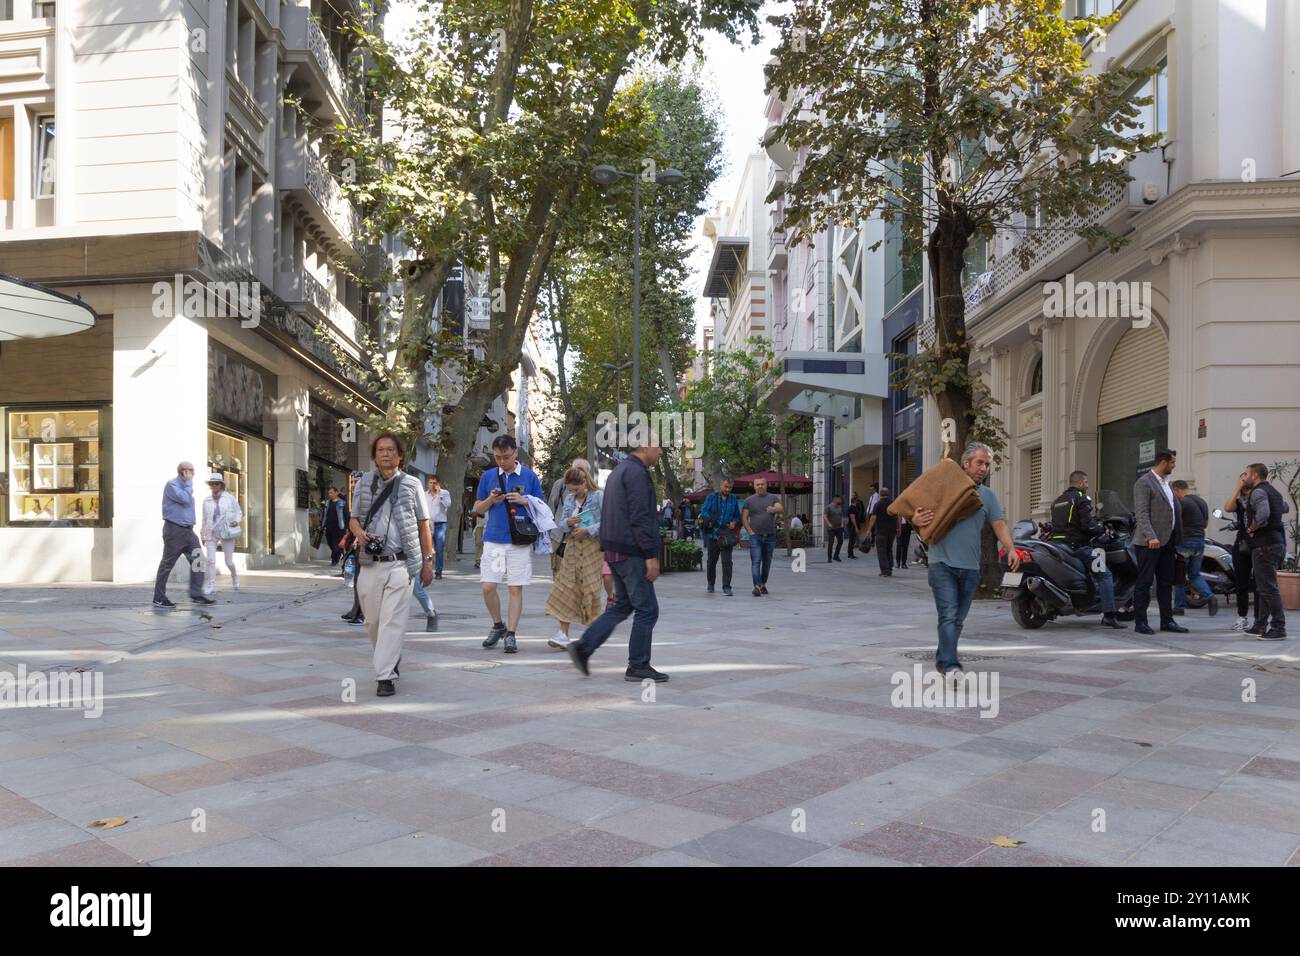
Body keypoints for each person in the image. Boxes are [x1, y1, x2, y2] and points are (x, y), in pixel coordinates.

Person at [911, 444, 1020, 680]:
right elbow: (919, 514)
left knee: (957, 619)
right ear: (966, 463)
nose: (984, 468)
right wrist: (916, 519)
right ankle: (951, 666)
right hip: (942, 564)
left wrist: (1010, 548)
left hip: (971, 568)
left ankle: (944, 661)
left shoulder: (988, 496)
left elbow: (998, 524)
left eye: (987, 464)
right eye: (980, 462)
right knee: (948, 615)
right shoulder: (944, 488)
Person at [567, 438, 667, 683]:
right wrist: (651, 556)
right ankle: (638, 665)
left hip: (614, 550)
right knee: (647, 609)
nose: (660, 451)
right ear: (644, 445)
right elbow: (640, 517)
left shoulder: (619, 471)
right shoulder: (636, 474)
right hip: (630, 551)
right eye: (658, 445)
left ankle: (583, 647)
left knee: (623, 605)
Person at [348, 433, 434, 697]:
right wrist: (359, 533)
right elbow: (353, 519)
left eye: (390, 450)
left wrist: (428, 561)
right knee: (373, 622)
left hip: (401, 563)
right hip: (370, 563)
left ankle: (385, 676)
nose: (385, 454)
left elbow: (423, 525)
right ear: (374, 455)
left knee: (392, 621)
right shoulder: (363, 483)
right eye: (380, 450)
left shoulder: (411, 485)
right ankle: (389, 657)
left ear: (400, 455)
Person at [474, 434, 544, 654]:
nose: (502, 461)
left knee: (515, 587)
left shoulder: (530, 477)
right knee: (488, 586)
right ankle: (497, 625)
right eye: (497, 457)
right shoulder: (488, 476)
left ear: (515, 452)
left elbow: (541, 508)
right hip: (494, 538)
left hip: (519, 541)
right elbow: (477, 508)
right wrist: (490, 501)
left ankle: (511, 635)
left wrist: (526, 500)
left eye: (505, 456)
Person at [1046, 470, 1122, 628]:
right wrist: (1104, 531)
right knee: (1105, 575)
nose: (1087, 485)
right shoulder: (1081, 498)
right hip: (1078, 547)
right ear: (1080, 483)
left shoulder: (1058, 500)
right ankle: (1109, 615)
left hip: (1059, 545)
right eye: (1086, 482)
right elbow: (1088, 525)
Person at [545, 467, 604, 648]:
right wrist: (567, 523)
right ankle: (563, 633)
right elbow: (561, 523)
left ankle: (593, 634)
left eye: (575, 489)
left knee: (591, 588)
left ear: (584, 482)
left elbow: (609, 520)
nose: (572, 493)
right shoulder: (570, 499)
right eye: (570, 490)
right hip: (572, 546)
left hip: (592, 548)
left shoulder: (599, 496)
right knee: (566, 587)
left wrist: (589, 529)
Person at [1131, 449, 1185, 636]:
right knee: (1145, 583)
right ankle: (1141, 622)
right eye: (1172, 462)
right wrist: (1150, 536)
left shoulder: (1167, 484)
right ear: (1163, 462)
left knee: (1165, 583)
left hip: (1167, 541)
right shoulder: (1144, 482)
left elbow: (1171, 510)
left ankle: (1167, 621)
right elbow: (1142, 513)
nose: (1174, 465)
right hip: (1149, 542)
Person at [152, 462, 214, 608]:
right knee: (167, 564)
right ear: (182, 472)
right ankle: (159, 597)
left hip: (188, 531)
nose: (193, 473)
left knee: (198, 560)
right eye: (190, 470)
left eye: (193, 470)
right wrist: (188, 483)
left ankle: (197, 594)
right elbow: (185, 499)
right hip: (174, 529)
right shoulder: (172, 485)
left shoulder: (187, 486)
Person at [1239, 463, 1288, 640]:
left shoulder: (1258, 492)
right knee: (1264, 587)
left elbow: (1264, 513)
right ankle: (1260, 625)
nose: (1245, 477)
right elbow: (1285, 507)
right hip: (1274, 543)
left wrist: (1252, 528)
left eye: (1247, 474)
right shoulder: (1274, 491)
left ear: (1255, 475)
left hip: (1264, 545)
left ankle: (1278, 627)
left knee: (1268, 588)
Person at [1222, 469, 1263, 633]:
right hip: (1242, 545)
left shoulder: (1259, 496)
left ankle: (1259, 619)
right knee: (1241, 584)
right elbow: (1227, 507)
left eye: (1244, 476)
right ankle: (1242, 617)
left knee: (1260, 584)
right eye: (1240, 477)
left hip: (1259, 543)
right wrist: (1237, 489)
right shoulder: (1239, 501)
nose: (1242, 479)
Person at [1171, 479, 1217, 618]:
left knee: (1178, 575)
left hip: (1185, 542)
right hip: (1200, 542)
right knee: (1195, 574)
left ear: (1177, 490)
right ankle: (1209, 596)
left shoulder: (1181, 503)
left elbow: (1174, 523)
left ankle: (1178, 607)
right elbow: (1205, 524)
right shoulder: (1202, 502)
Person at [200, 473, 242, 595]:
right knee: (211, 560)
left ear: (221, 485)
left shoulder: (230, 498)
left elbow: (239, 512)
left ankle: (234, 576)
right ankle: (212, 586)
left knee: (228, 562)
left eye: (216, 483)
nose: (213, 486)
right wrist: (202, 533)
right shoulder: (206, 500)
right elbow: (204, 518)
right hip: (211, 532)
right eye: (211, 484)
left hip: (226, 531)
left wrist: (236, 521)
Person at [408, 477, 440, 633]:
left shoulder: (421, 516)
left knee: (416, 588)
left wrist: (428, 559)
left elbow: (426, 534)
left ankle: (431, 613)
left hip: (415, 554)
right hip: (394, 555)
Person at [699, 478, 741, 595]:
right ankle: (711, 583)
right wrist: (712, 520)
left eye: (730, 488)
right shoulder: (712, 497)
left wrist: (734, 522)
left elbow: (737, 516)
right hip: (713, 534)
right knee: (712, 561)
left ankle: (726, 586)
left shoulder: (733, 499)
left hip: (726, 534)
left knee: (727, 562)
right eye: (725, 487)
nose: (727, 489)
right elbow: (704, 511)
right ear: (721, 485)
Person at [742, 475, 782, 596]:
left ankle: (763, 584)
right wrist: (750, 531)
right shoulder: (749, 500)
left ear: (766, 485)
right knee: (756, 561)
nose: (760, 486)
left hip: (770, 536)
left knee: (767, 562)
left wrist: (773, 510)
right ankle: (756, 586)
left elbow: (780, 508)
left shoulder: (772, 497)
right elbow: (744, 518)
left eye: (762, 484)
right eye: (757, 484)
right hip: (756, 536)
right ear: (754, 486)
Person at [864, 486, 898, 576]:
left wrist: (869, 530)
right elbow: (898, 516)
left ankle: (885, 570)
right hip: (892, 531)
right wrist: (898, 528)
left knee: (881, 551)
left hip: (881, 531)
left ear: (880, 495)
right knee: (889, 549)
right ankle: (890, 567)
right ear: (888, 494)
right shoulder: (893, 503)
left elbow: (873, 518)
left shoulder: (878, 504)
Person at [426, 475, 451, 580]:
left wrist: (439, 494)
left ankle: (438, 572)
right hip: (427, 524)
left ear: (438, 484)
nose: (432, 485)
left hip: (440, 524)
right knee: (427, 549)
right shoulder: (424, 494)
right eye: (430, 483)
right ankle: (427, 570)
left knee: (439, 548)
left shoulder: (444, 493)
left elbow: (448, 504)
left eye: (434, 483)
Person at [323, 485, 349, 567]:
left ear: (336, 493)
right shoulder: (327, 503)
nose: (330, 494)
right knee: (330, 543)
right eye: (329, 493)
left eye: (331, 493)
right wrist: (322, 525)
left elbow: (346, 515)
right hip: (329, 526)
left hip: (339, 527)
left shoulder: (342, 503)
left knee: (336, 544)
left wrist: (347, 527)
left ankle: (335, 559)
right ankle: (339, 553)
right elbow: (324, 515)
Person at [824, 494, 845, 562]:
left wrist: (842, 523)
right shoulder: (828, 507)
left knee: (840, 541)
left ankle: (836, 556)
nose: (840, 500)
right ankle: (829, 558)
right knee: (831, 542)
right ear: (834, 499)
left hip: (839, 528)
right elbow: (825, 516)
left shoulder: (839, 507)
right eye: (839, 499)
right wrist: (829, 523)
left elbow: (841, 516)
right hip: (831, 528)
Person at [846, 492, 863, 559]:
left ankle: (851, 553)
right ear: (855, 501)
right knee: (852, 540)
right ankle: (850, 554)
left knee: (852, 540)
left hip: (853, 526)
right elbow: (852, 518)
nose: (857, 503)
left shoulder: (853, 508)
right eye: (857, 501)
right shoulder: (852, 508)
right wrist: (856, 527)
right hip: (852, 527)